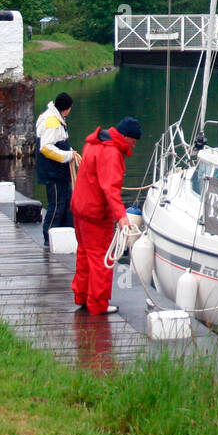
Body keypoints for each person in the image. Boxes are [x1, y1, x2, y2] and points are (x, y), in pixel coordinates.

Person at [70, 116, 141, 315]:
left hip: (79, 207)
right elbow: (110, 188)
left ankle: (82, 296)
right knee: (101, 258)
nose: (133, 147)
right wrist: (122, 217)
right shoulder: (112, 153)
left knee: (84, 254)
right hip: (95, 213)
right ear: (126, 137)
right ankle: (98, 304)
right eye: (133, 142)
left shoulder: (94, 143)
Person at [36, 92, 76, 246]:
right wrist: (68, 156)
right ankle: (49, 238)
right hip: (54, 172)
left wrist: (70, 151)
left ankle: (64, 234)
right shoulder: (52, 121)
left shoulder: (54, 118)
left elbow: (60, 142)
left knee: (65, 202)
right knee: (57, 204)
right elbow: (46, 148)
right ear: (66, 109)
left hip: (60, 171)